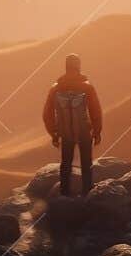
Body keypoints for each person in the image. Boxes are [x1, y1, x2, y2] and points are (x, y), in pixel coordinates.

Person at [42, 53, 103, 196]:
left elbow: (47, 115)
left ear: (66, 67)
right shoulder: (87, 88)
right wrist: (97, 131)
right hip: (84, 131)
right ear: (78, 66)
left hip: (65, 132)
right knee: (86, 164)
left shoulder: (55, 88)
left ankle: (64, 194)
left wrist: (54, 134)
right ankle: (87, 194)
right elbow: (95, 111)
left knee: (66, 164)